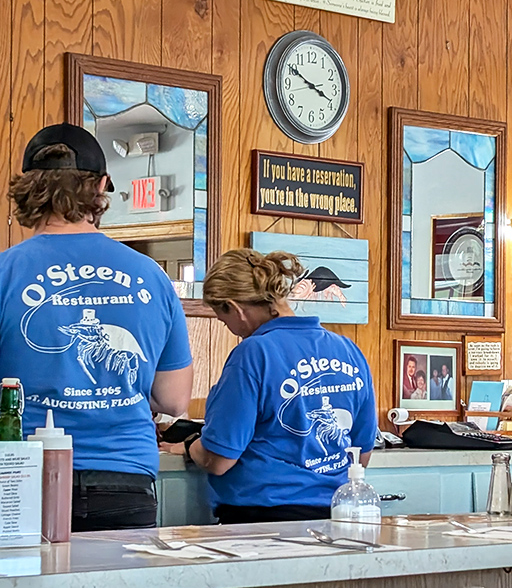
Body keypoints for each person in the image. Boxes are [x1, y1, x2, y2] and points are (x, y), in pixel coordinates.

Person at [0, 123, 193, 530]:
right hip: (123, 479)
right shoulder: (150, 276)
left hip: (21, 478)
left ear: (27, 187)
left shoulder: (5, 273)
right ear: (103, 185)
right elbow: (174, 401)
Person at [188, 248, 378, 523]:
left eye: (223, 317)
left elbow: (219, 459)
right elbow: (361, 454)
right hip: (336, 515)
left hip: (262, 518)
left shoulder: (254, 353)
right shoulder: (348, 349)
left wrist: (190, 446)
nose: (228, 327)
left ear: (236, 308)